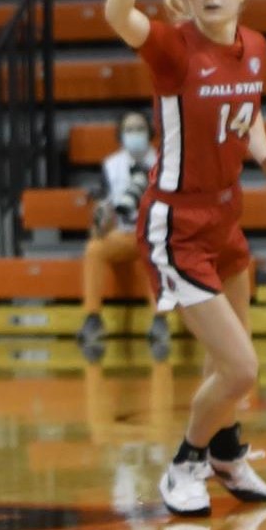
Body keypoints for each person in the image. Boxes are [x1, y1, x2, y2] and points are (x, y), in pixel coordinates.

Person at [103, 0, 266, 518]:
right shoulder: (173, 49)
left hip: (227, 218)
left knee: (226, 359)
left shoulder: (255, 46)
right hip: (176, 223)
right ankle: (187, 460)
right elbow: (116, 14)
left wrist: (265, 157)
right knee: (241, 369)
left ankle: (228, 450)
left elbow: (249, 110)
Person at [75, 110, 169, 361]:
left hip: (156, 235)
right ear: (121, 135)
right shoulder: (111, 164)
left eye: (139, 128)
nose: (135, 134)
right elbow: (105, 205)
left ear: (149, 132)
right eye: (129, 129)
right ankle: (93, 318)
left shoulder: (165, 162)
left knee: (157, 248)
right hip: (123, 233)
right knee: (94, 248)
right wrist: (100, 220)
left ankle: (160, 320)